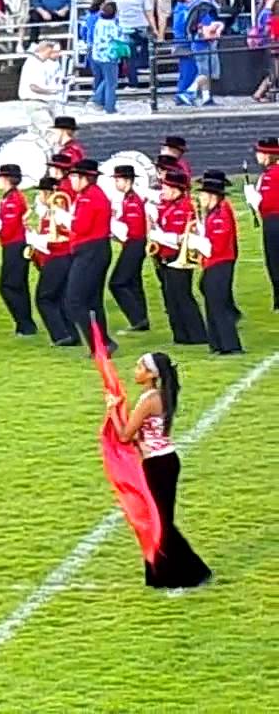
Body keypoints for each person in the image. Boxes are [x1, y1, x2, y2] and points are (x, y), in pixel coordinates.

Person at [108, 352, 212, 589]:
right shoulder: (155, 396)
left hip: (159, 465)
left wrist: (113, 410)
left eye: (140, 367)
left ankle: (194, 571)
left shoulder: (149, 399)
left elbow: (125, 436)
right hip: (161, 462)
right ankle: (164, 574)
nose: (136, 371)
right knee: (158, 520)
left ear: (152, 374)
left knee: (160, 522)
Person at [150, 169, 208, 345]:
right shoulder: (167, 206)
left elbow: (180, 237)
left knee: (182, 296)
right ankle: (180, 335)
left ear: (175, 190)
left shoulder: (184, 208)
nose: (163, 191)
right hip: (165, 257)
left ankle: (197, 335)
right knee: (171, 297)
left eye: (166, 188)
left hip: (178, 256)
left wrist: (159, 235)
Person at [65, 159, 116, 355]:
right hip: (95, 249)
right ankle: (103, 342)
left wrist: (65, 218)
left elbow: (80, 226)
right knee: (93, 300)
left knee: (75, 300)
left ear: (85, 178)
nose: (72, 181)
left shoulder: (89, 197)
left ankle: (98, 344)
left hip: (91, 250)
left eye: (75, 176)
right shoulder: (88, 195)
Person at [195, 171, 243, 355]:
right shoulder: (214, 213)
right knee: (211, 301)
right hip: (213, 262)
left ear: (212, 195)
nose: (200, 198)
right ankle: (216, 343)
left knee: (218, 304)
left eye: (203, 194)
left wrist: (195, 241)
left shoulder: (221, 214)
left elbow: (217, 245)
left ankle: (230, 345)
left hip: (220, 262)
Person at [29, 177, 78, 346]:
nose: (39, 196)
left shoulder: (57, 212)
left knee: (44, 298)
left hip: (58, 257)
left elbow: (59, 237)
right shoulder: (50, 212)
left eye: (41, 192)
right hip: (58, 257)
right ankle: (71, 335)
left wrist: (33, 239)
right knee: (60, 298)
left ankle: (60, 335)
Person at [0, 164, 37, 337]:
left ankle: (24, 322)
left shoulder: (12, 200)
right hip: (13, 244)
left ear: (7, 179)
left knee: (7, 285)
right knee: (18, 285)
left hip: (14, 245)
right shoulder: (9, 198)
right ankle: (25, 324)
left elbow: (8, 228)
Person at [108, 165, 151, 333]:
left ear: (127, 181)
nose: (116, 183)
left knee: (117, 282)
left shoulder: (133, 200)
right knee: (133, 282)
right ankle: (141, 319)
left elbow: (132, 228)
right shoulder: (128, 199)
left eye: (118, 180)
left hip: (134, 244)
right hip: (133, 243)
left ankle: (137, 317)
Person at [250, 137, 279, 311]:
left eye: (260, 152)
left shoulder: (273, 174)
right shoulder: (267, 174)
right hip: (270, 220)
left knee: (275, 260)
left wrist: (255, 201)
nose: (257, 155)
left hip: (275, 221)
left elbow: (269, 202)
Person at [116, 0, 159, 89]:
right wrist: (155, 29)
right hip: (141, 27)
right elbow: (149, 14)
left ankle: (133, 84)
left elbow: (117, 15)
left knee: (129, 58)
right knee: (148, 50)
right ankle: (146, 68)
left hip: (125, 29)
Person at [90, 2, 122, 115]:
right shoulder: (114, 25)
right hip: (109, 57)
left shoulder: (99, 22)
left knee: (107, 80)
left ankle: (97, 99)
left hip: (97, 55)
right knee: (111, 83)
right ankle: (109, 107)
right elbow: (119, 40)